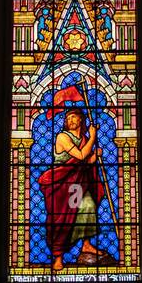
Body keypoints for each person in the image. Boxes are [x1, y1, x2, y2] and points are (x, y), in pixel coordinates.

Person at [38, 108, 102, 272]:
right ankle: (58, 258)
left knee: (88, 206)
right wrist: (93, 137)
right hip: (61, 184)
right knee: (63, 219)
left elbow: (85, 162)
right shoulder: (62, 137)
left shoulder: (84, 139)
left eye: (75, 117)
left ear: (81, 120)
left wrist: (95, 155)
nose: (71, 120)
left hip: (76, 184)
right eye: (69, 118)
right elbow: (80, 155)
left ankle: (86, 245)